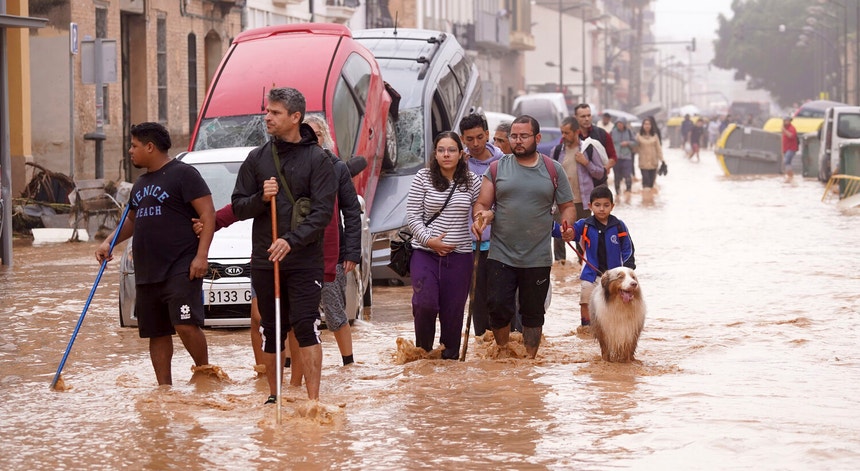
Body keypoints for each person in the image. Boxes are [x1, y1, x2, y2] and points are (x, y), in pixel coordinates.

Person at [232, 87, 336, 404]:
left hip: (304, 260)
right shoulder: (257, 158)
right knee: (271, 328)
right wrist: (261, 198)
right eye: (267, 111)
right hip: (266, 259)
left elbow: (321, 214)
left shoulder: (319, 160)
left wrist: (290, 241)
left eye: (275, 113)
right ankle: (274, 397)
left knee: (306, 324)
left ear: (295, 117)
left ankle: (313, 401)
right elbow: (238, 206)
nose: (267, 117)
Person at [96, 122, 215, 386]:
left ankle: (205, 374)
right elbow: (132, 220)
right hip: (148, 270)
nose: (130, 151)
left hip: (181, 267)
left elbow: (208, 214)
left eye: (134, 146)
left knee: (185, 324)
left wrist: (202, 256)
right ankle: (164, 388)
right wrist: (108, 242)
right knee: (156, 332)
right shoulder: (141, 183)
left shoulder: (184, 174)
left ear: (150, 147)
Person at [472, 115, 576, 358]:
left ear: (537, 138)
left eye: (523, 136)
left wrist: (567, 224)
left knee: (533, 314)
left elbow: (567, 205)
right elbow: (482, 203)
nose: (517, 141)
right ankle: (503, 353)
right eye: (514, 137)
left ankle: (529, 361)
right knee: (497, 308)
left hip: (537, 256)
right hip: (501, 254)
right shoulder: (497, 168)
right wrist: (482, 217)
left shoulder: (553, 169)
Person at [407, 131, 481, 359]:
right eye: (441, 150)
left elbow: (484, 207)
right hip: (424, 253)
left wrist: (480, 220)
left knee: (453, 313)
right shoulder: (423, 177)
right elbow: (412, 216)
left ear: (461, 154)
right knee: (425, 304)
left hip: (460, 257)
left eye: (451, 150)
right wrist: (430, 241)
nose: (446, 155)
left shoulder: (472, 181)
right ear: (435, 154)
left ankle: (449, 362)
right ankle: (424, 355)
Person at [553, 185, 635, 326]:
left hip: (615, 277)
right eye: (597, 205)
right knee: (586, 300)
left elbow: (628, 250)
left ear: (612, 206)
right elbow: (565, 232)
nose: (601, 209)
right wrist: (553, 226)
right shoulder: (584, 225)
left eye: (606, 205)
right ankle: (586, 328)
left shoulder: (619, 226)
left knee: (617, 304)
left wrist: (627, 272)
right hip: (591, 274)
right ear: (590, 206)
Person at [459, 114, 505, 338]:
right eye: (469, 139)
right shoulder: (458, 165)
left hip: (500, 243)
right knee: (476, 299)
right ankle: (482, 344)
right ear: (462, 139)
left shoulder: (503, 163)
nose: (475, 144)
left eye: (479, 137)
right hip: (469, 244)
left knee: (500, 298)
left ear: (487, 135)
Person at [550, 116, 605, 265]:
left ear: (577, 132)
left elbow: (600, 173)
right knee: (559, 238)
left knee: (582, 238)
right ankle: (561, 270)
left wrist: (586, 163)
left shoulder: (588, 149)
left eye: (567, 132)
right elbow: (549, 176)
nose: (563, 136)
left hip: (583, 202)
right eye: (562, 132)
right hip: (561, 202)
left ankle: (583, 269)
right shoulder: (556, 151)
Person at [574, 104, 617, 178]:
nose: (587, 119)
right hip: (578, 180)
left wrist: (603, 170)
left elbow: (613, 157)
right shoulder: (571, 136)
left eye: (589, 115)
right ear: (575, 118)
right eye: (583, 116)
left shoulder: (602, 134)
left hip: (598, 182)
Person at [636, 116, 664, 202]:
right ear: (643, 125)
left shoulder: (655, 136)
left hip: (654, 163)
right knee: (646, 183)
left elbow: (659, 149)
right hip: (643, 164)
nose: (647, 126)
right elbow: (635, 149)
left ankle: (650, 202)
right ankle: (645, 202)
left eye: (649, 124)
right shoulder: (638, 136)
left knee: (651, 184)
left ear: (651, 126)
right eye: (645, 124)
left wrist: (663, 161)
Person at [610, 117, 637, 197]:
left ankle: (628, 192)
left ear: (624, 124)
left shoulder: (629, 132)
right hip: (616, 157)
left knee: (627, 175)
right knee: (617, 176)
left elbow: (635, 142)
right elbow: (608, 143)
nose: (619, 125)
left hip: (627, 157)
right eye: (618, 124)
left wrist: (628, 143)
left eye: (621, 124)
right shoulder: (613, 132)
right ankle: (617, 193)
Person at [782, 116, 799, 182]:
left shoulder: (792, 128)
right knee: (787, 162)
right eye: (785, 121)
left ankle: (790, 177)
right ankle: (789, 177)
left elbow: (791, 136)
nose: (786, 122)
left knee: (787, 161)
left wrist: (784, 131)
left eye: (787, 121)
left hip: (791, 148)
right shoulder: (785, 128)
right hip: (786, 149)